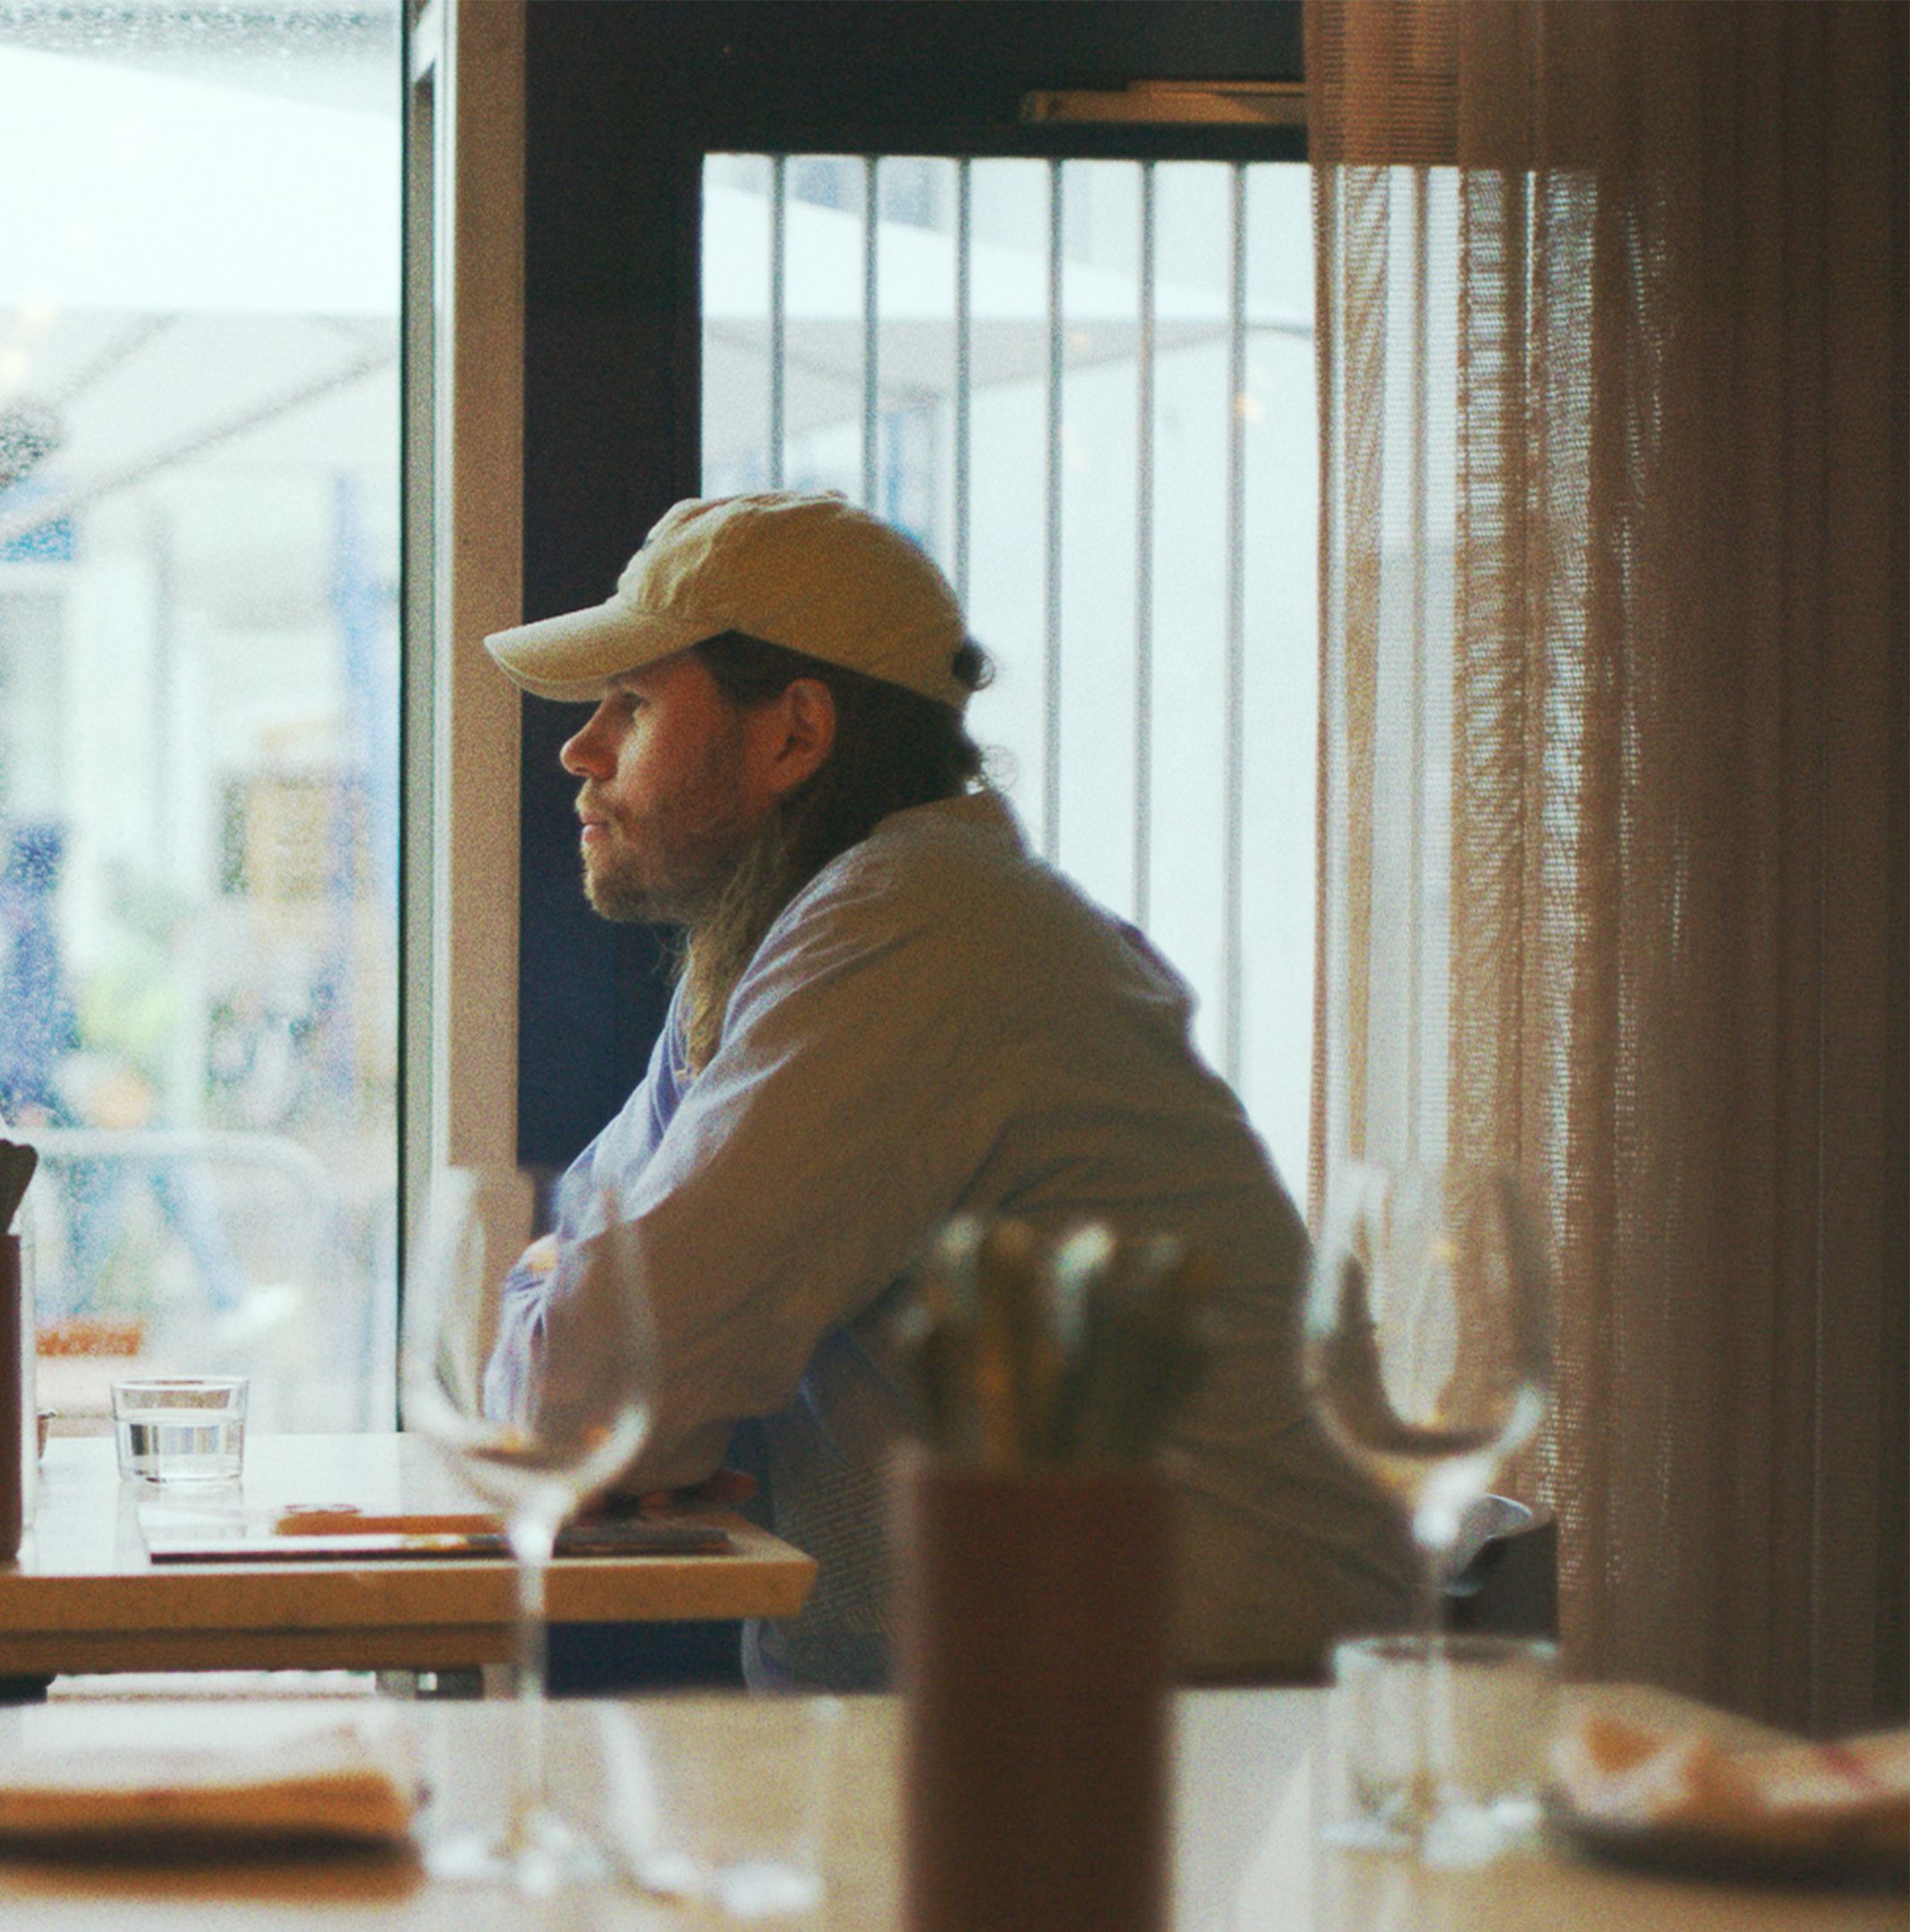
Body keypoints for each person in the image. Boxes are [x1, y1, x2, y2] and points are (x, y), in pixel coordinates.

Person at [488, 490, 1413, 1690]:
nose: (581, 746)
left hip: (1196, 1741)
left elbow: (579, 1389)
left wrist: (607, 1376)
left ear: (795, 735)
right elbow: (567, 1333)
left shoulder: (915, 930)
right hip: (1011, 1718)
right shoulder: (783, 948)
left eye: (636, 703)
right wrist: (590, 1351)